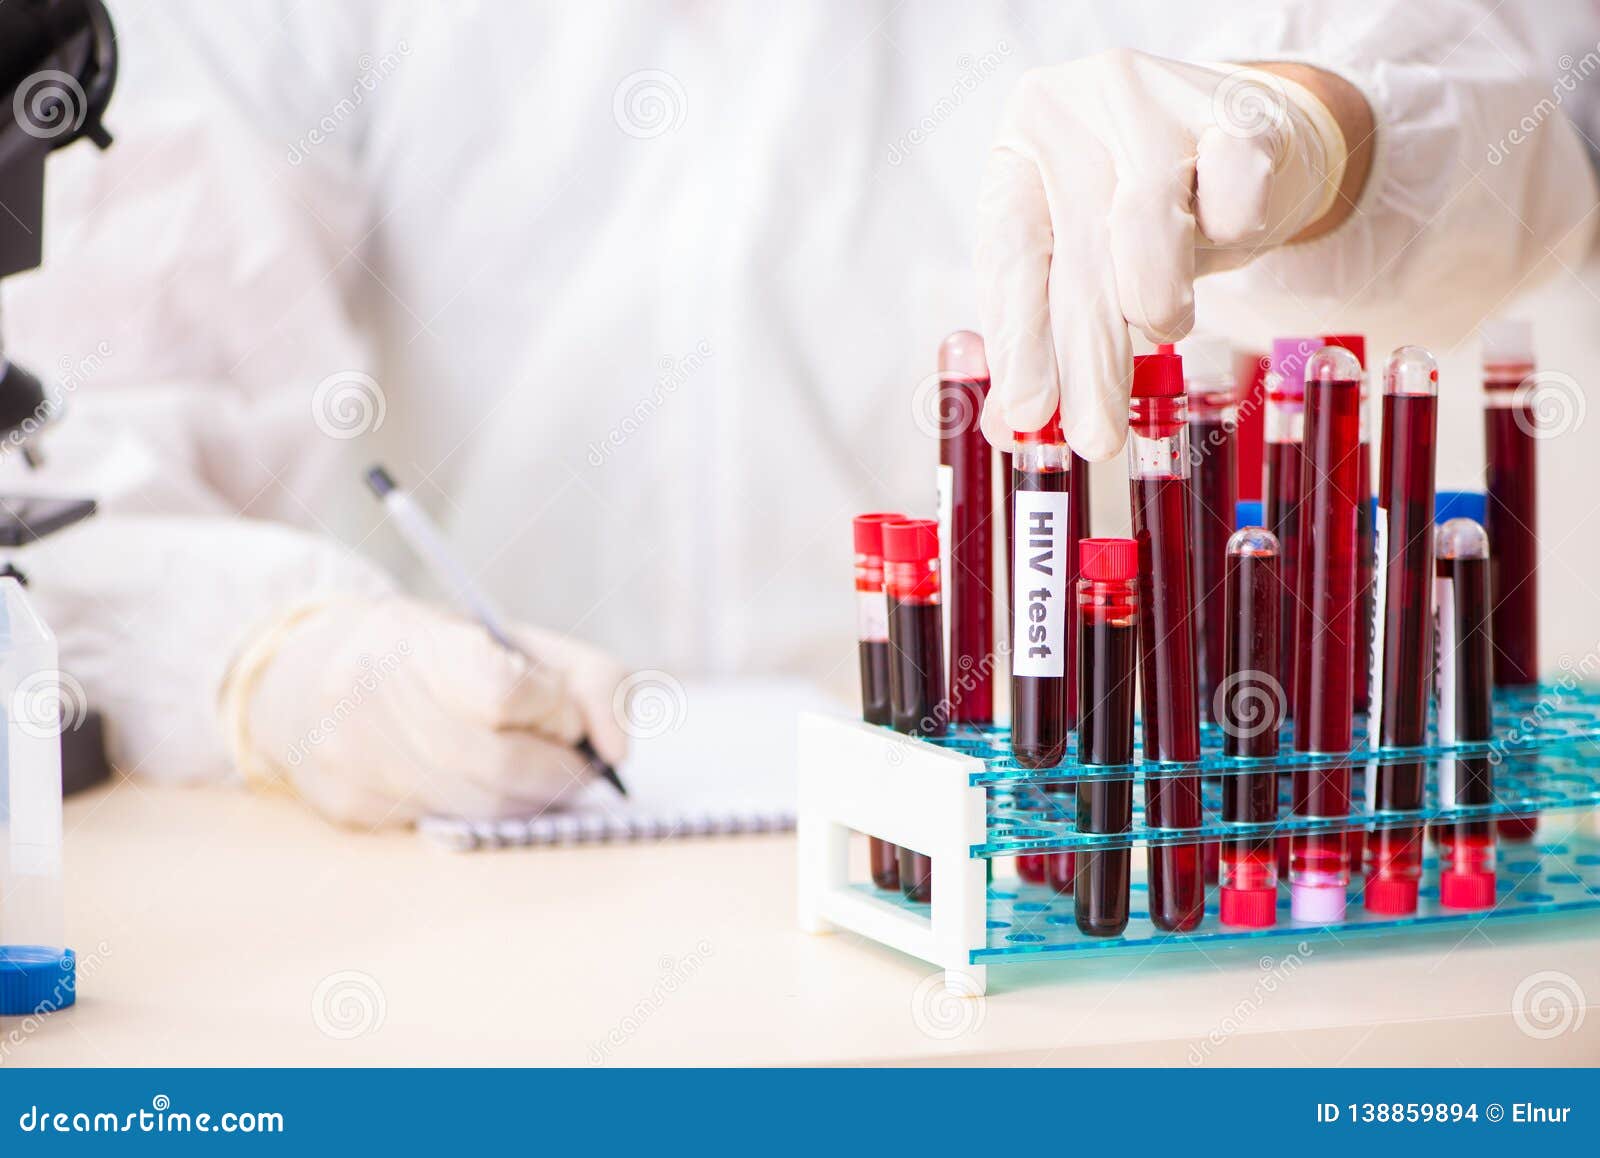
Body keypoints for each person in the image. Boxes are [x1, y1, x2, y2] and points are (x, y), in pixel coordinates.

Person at [2, 0, 1595, 828]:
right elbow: (84, 432)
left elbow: (1542, 101)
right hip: (499, 872)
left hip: (1055, 860)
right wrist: (276, 660)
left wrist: (1323, 125)